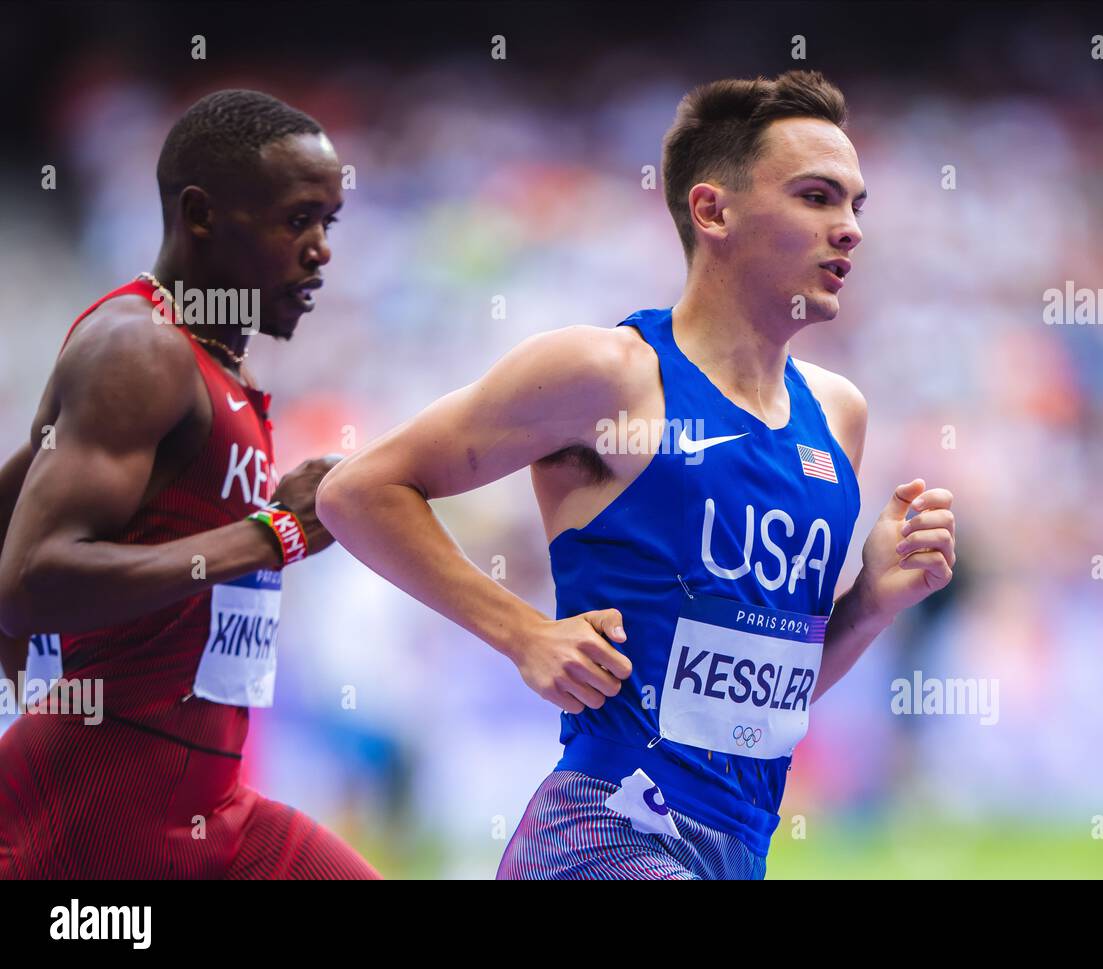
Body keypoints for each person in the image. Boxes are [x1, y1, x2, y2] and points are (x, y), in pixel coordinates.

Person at [317, 70, 956, 880]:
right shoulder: (606, 375)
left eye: (856, 205)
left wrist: (869, 604)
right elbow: (357, 491)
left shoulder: (837, 416)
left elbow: (762, 710)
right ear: (712, 210)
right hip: (604, 835)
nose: (851, 228)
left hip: (735, 851)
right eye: (817, 197)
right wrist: (522, 632)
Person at [0, 89, 378, 879]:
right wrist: (271, 534)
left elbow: (14, 507)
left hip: (210, 800)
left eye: (328, 222)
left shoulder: (206, 360)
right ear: (201, 214)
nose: (321, 250)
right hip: (99, 810)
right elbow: (31, 578)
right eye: (296, 219)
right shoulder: (140, 350)